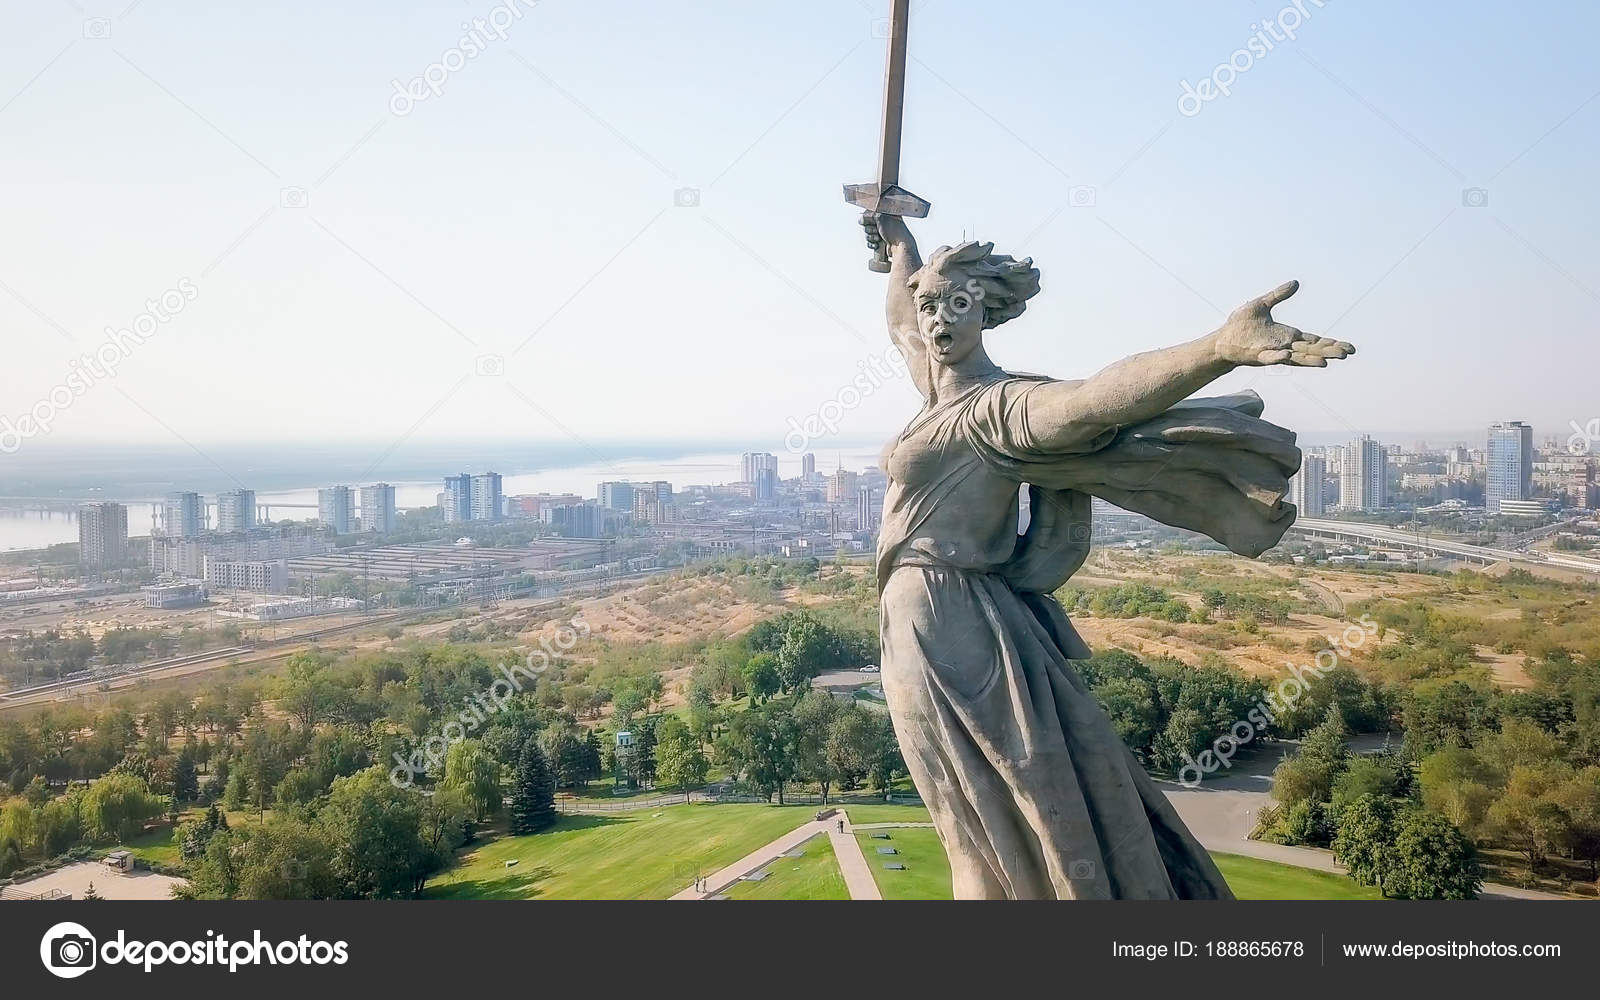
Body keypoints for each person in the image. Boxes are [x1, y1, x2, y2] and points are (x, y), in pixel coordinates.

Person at [860, 212, 1353, 899]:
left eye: (958, 304)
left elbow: (1098, 400)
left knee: (988, 819)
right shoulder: (934, 389)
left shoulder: (1000, 408)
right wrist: (898, 245)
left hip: (953, 625)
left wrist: (1219, 347)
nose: (938, 319)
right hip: (919, 622)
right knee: (964, 817)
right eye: (932, 304)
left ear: (986, 313)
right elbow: (901, 325)